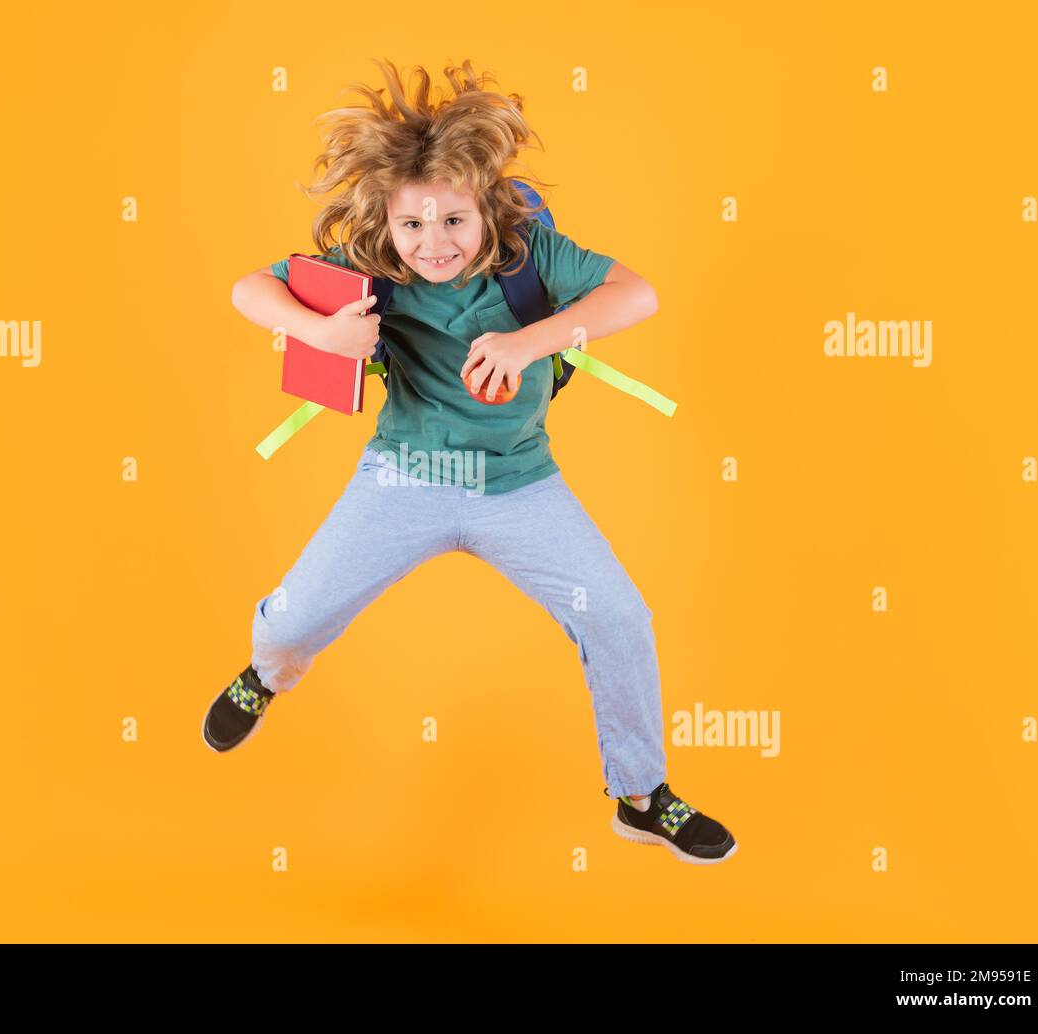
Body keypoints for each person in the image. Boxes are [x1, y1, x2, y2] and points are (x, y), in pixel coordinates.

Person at [204, 58, 737, 864]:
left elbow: (638, 294)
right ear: (387, 221)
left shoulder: (532, 259)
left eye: (453, 220)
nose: (433, 243)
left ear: (485, 208)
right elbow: (248, 290)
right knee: (300, 617)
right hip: (402, 480)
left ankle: (639, 794)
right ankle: (264, 673)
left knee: (620, 617)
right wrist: (320, 333)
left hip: (519, 488)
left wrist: (530, 341)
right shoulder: (376, 264)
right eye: (413, 225)